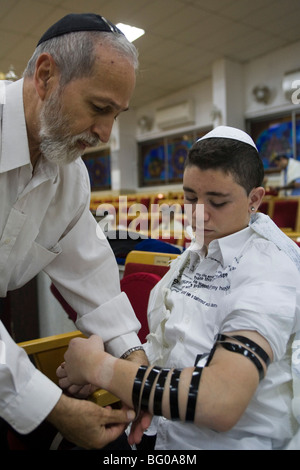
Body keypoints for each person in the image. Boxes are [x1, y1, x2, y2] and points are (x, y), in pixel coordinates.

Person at [59, 126, 300, 450]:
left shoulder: (269, 271)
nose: (198, 214)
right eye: (190, 198)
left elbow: (222, 399)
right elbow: (170, 349)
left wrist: (98, 368)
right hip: (156, 431)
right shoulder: (197, 252)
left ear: (254, 199)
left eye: (217, 201)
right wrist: (132, 382)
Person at [0, 13, 149, 449]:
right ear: (45, 76)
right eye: (100, 108)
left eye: (116, 115)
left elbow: (91, 275)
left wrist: (135, 363)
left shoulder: (70, 176)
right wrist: (54, 408)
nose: (105, 132)